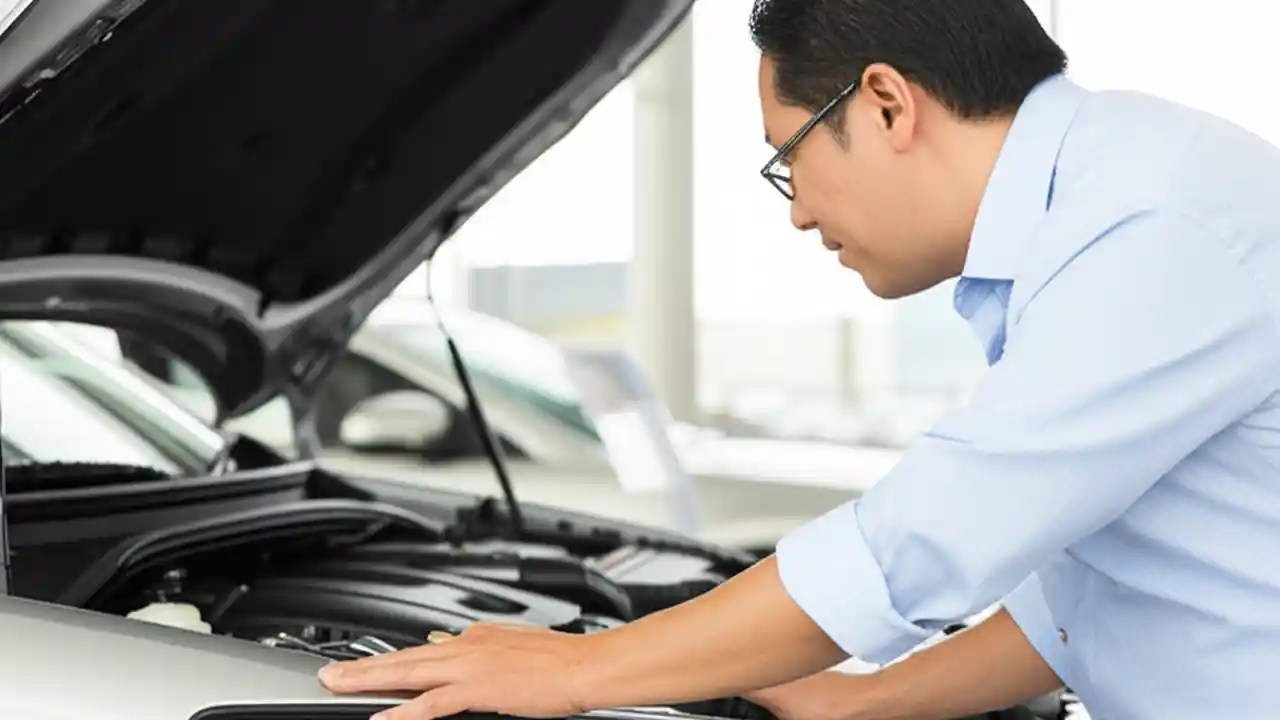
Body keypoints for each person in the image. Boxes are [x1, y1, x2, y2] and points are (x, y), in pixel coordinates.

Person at [319, 1, 1280, 718]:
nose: (799, 211)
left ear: (888, 105)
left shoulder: (1150, 229)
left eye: (791, 159)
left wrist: (573, 671)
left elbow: (920, 547)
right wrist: (859, 702)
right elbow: (1093, 594)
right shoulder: (1111, 203)